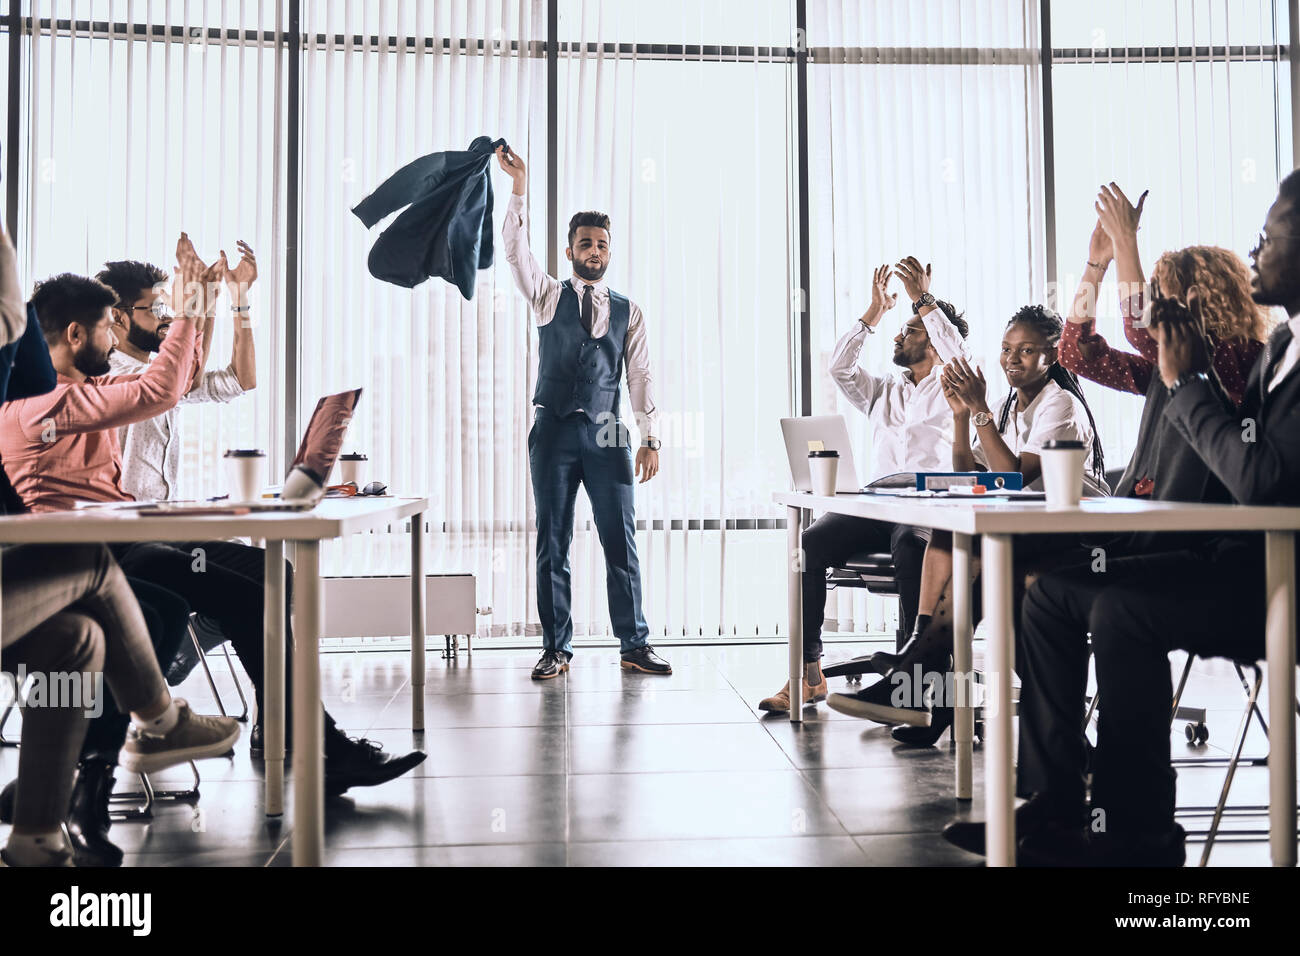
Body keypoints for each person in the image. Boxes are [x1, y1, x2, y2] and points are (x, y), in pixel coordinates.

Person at [943, 170, 1300, 866]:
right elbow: (1079, 351)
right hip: (1155, 534)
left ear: (1196, 302)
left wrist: (1129, 255)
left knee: (1110, 605)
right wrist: (1097, 264)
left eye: (1167, 292)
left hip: (1220, 561)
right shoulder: (1239, 358)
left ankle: (1132, 831)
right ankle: (1056, 805)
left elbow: (1145, 331)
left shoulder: (1231, 358)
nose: (1154, 307)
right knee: (1047, 594)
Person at [0, 253, 426, 802]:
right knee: (233, 596)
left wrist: (205, 303)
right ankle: (216, 722)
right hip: (94, 560)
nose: (113, 338)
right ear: (78, 331)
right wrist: (191, 306)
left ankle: (290, 733)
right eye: (110, 327)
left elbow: (199, 380)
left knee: (264, 582)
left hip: (126, 539)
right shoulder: (46, 405)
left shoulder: (85, 390)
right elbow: (161, 389)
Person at [826, 305, 1107, 729]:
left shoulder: (1060, 405)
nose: (1012, 359)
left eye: (1027, 350)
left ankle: (919, 679)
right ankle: (923, 677)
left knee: (974, 566)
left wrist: (978, 410)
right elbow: (969, 476)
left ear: (1055, 356)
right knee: (947, 536)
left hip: (1076, 537)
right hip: (1025, 532)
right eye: (1007, 348)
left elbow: (1009, 478)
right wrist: (962, 418)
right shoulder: (1006, 405)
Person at [757, 260, 971, 714]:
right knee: (810, 543)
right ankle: (808, 673)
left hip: (926, 506)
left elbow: (958, 353)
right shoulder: (883, 389)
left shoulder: (954, 379)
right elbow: (839, 367)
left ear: (932, 340)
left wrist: (924, 301)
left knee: (913, 549)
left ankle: (914, 685)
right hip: (877, 501)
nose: (898, 336)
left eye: (909, 330)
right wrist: (874, 313)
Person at [495, 145, 672, 681]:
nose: (594, 251)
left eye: (601, 245)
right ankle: (556, 647)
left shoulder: (629, 309)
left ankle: (634, 644)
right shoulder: (546, 294)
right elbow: (515, 250)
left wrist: (650, 436)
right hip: (551, 427)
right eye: (585, 243)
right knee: (553, 541)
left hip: (611, 430)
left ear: (609, 252)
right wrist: (520, 186)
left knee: (621, 538)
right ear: (570, 248)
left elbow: (639, 375)